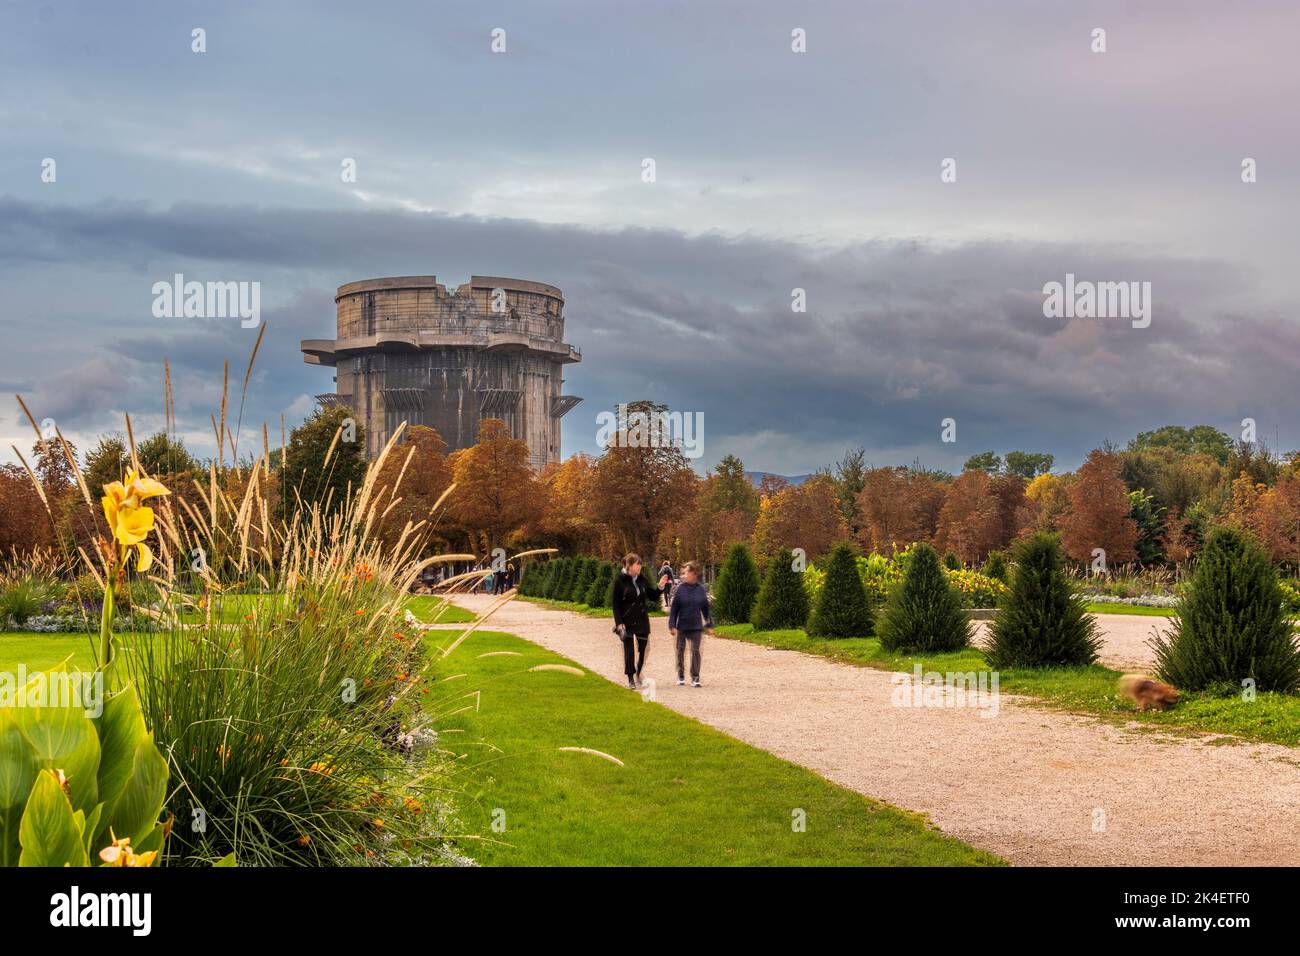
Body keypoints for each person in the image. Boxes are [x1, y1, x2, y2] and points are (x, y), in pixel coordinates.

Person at [611, 552, 661, 690]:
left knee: (644, 648)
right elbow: (615, 604)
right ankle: (630, 678)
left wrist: (660, 588)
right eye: (637, 566)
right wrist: (619, 623)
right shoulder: (619, 581)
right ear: (629, 566)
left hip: (642, 619)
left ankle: (639, 671)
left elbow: (652, 596)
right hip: (626, 620)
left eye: (640, 566)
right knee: (629, 651)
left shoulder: (641, 579)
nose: (640, 568)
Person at [668, 560, 713, 688]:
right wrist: (672, 625)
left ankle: (695, 677)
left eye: (686, 572)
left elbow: (705, 609)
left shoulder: (700, 590)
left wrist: (709, 624)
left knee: (695, 651)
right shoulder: (679, 589)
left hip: (696, 627)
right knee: (680, 651)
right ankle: (681, 675)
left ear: (693, 574)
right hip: (682, 626)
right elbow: (674, 610)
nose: (683, 575)